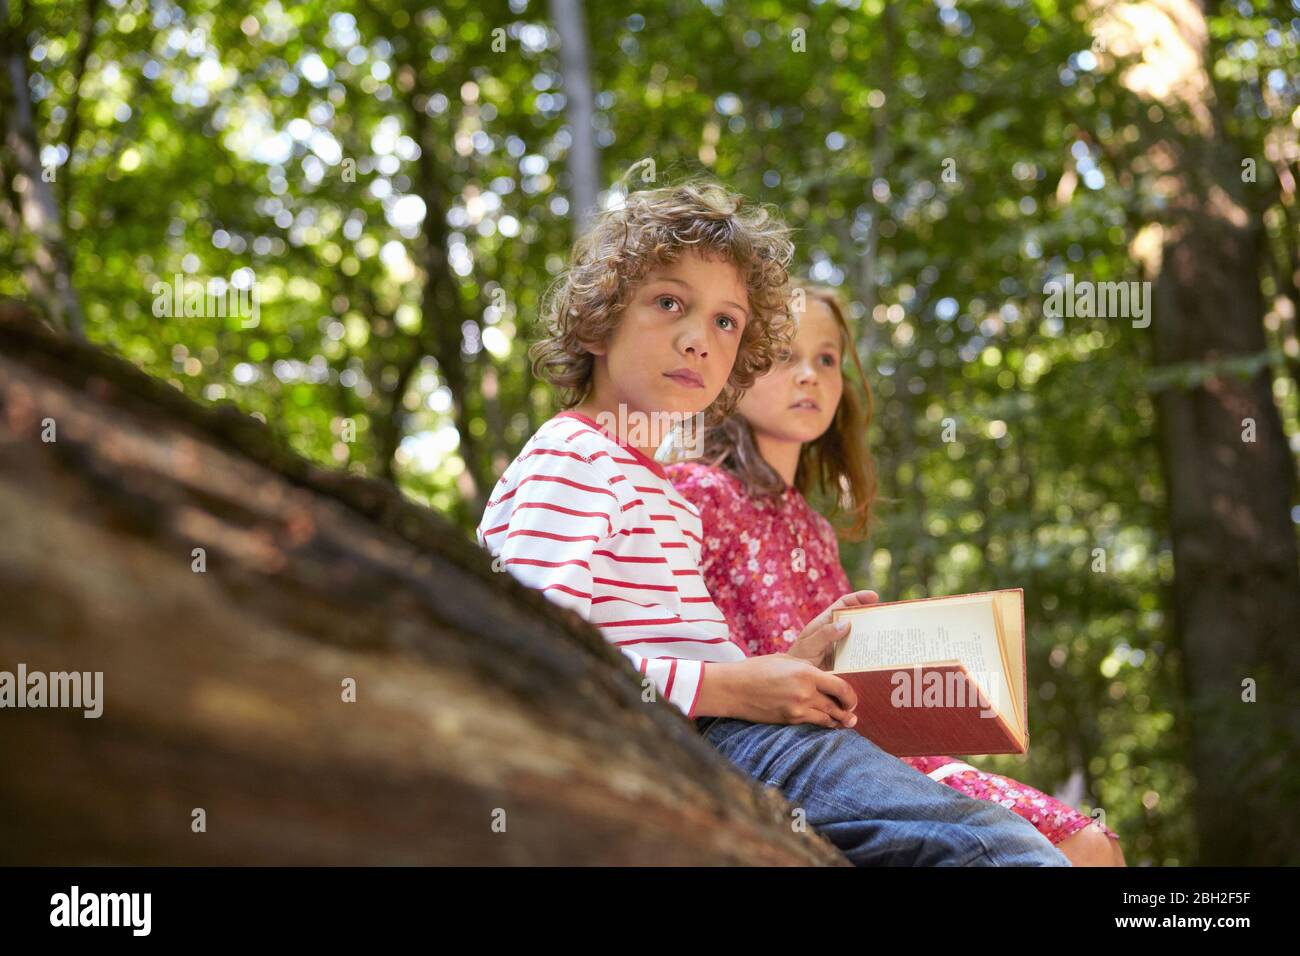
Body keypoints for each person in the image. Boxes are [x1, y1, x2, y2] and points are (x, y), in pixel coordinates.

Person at [476, 179, 1069, 865]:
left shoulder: (661, 489)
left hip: (721, 735)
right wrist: (733, 687)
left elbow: (682, 655)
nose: (699, 340)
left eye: (726, 322)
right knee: (1001, 847)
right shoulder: (572, 456)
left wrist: (789, 664)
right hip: (690, 742)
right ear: (595, 322)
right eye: (669, 303)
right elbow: (527, 656)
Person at [665, 282, 1124, 866]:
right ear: (737, 370)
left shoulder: (814, 528)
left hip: (876, 745)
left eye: (827, 359)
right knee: (1077, 847)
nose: (810, 375)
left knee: (1094, 841)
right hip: (790, 750)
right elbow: (692, 658)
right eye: (785, 356)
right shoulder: (697, 492)